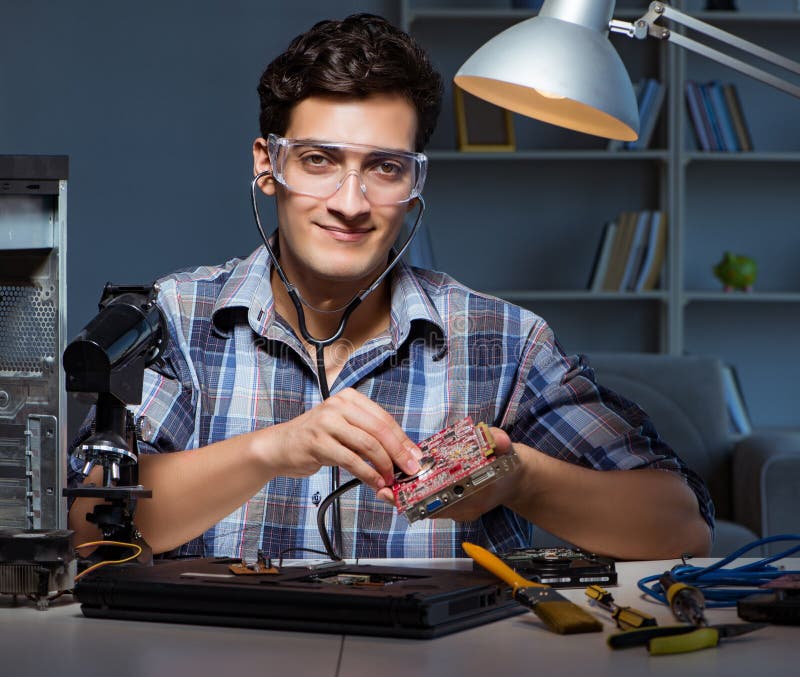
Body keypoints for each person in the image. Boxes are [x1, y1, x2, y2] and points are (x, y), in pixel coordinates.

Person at [68, 13, 713, 562]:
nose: (350, 202)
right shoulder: (175, 317)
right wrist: (272, 449)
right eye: (319, 161)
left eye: (383, 167)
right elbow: (82, 529)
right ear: (269, 166)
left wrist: (520, 480)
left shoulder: (502, 340)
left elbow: (682, 526)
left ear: (415, 183)